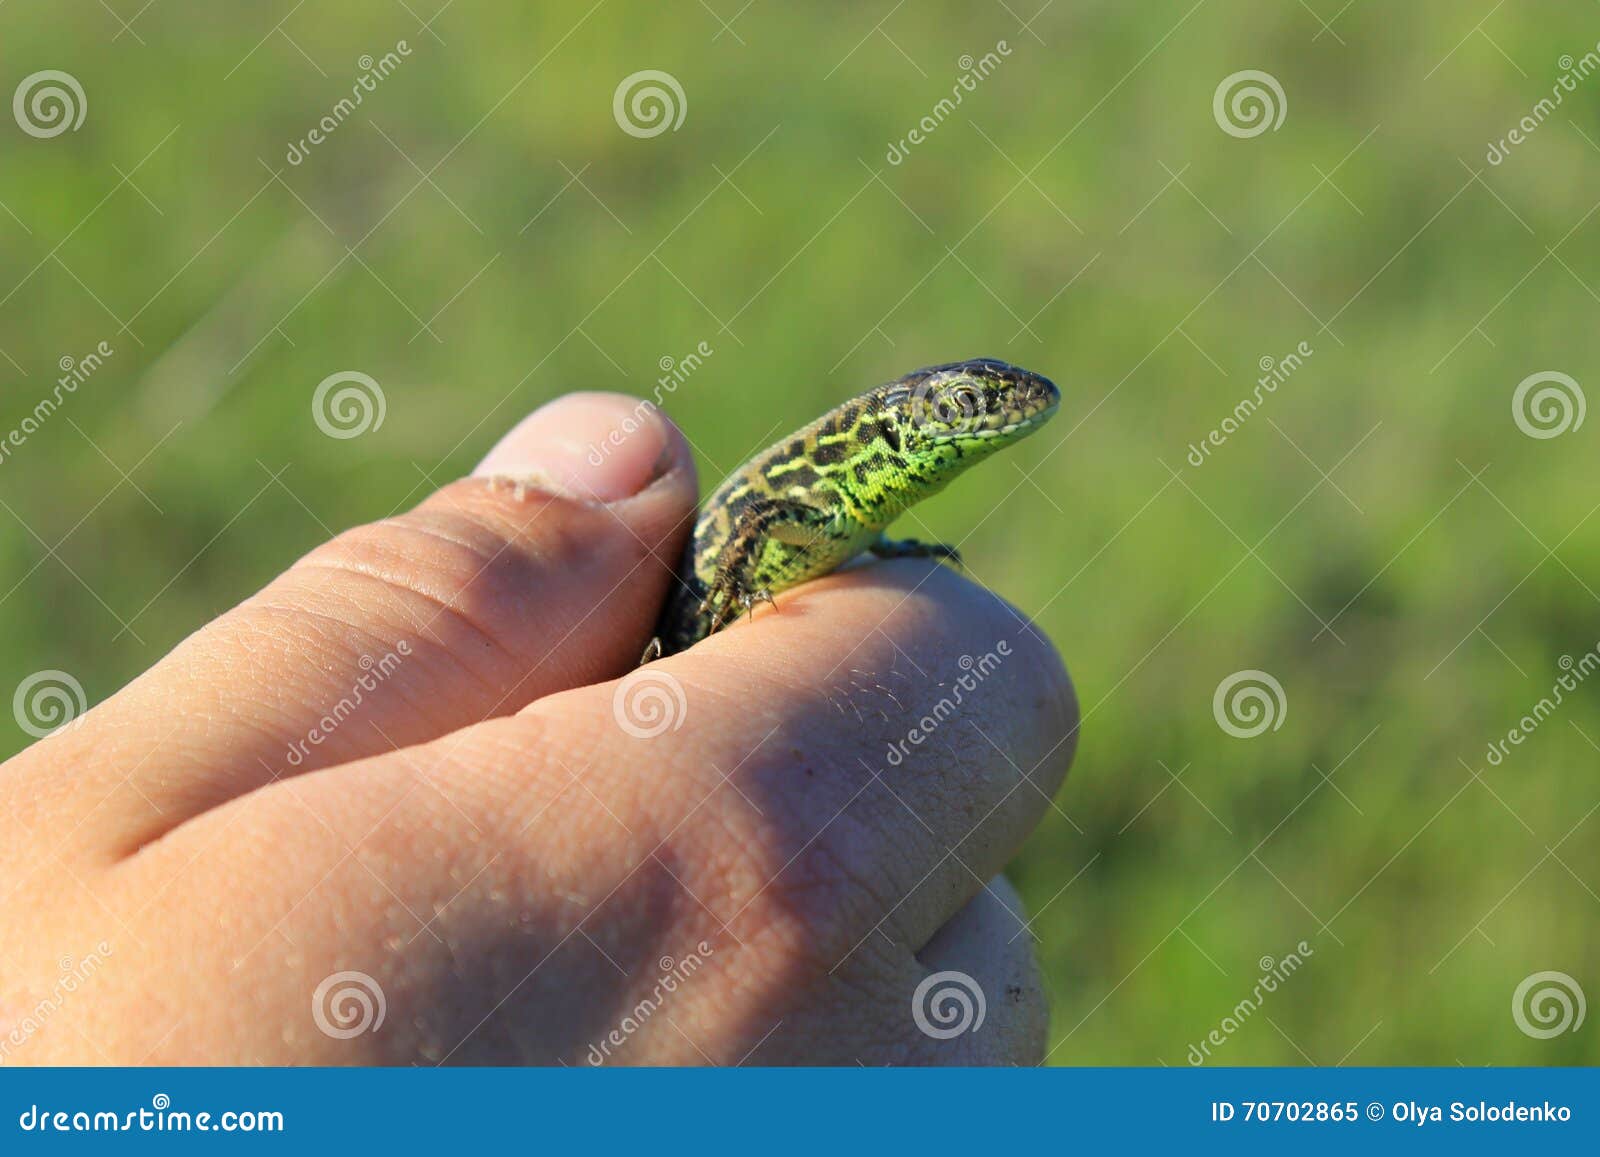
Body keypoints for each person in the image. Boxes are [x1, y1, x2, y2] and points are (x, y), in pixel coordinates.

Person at [0, 393, 1077, 1064]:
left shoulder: (848, 496)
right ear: (904, 429)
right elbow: (757, 532)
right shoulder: (814, 486)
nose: (1005, 409)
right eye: (973, 403)